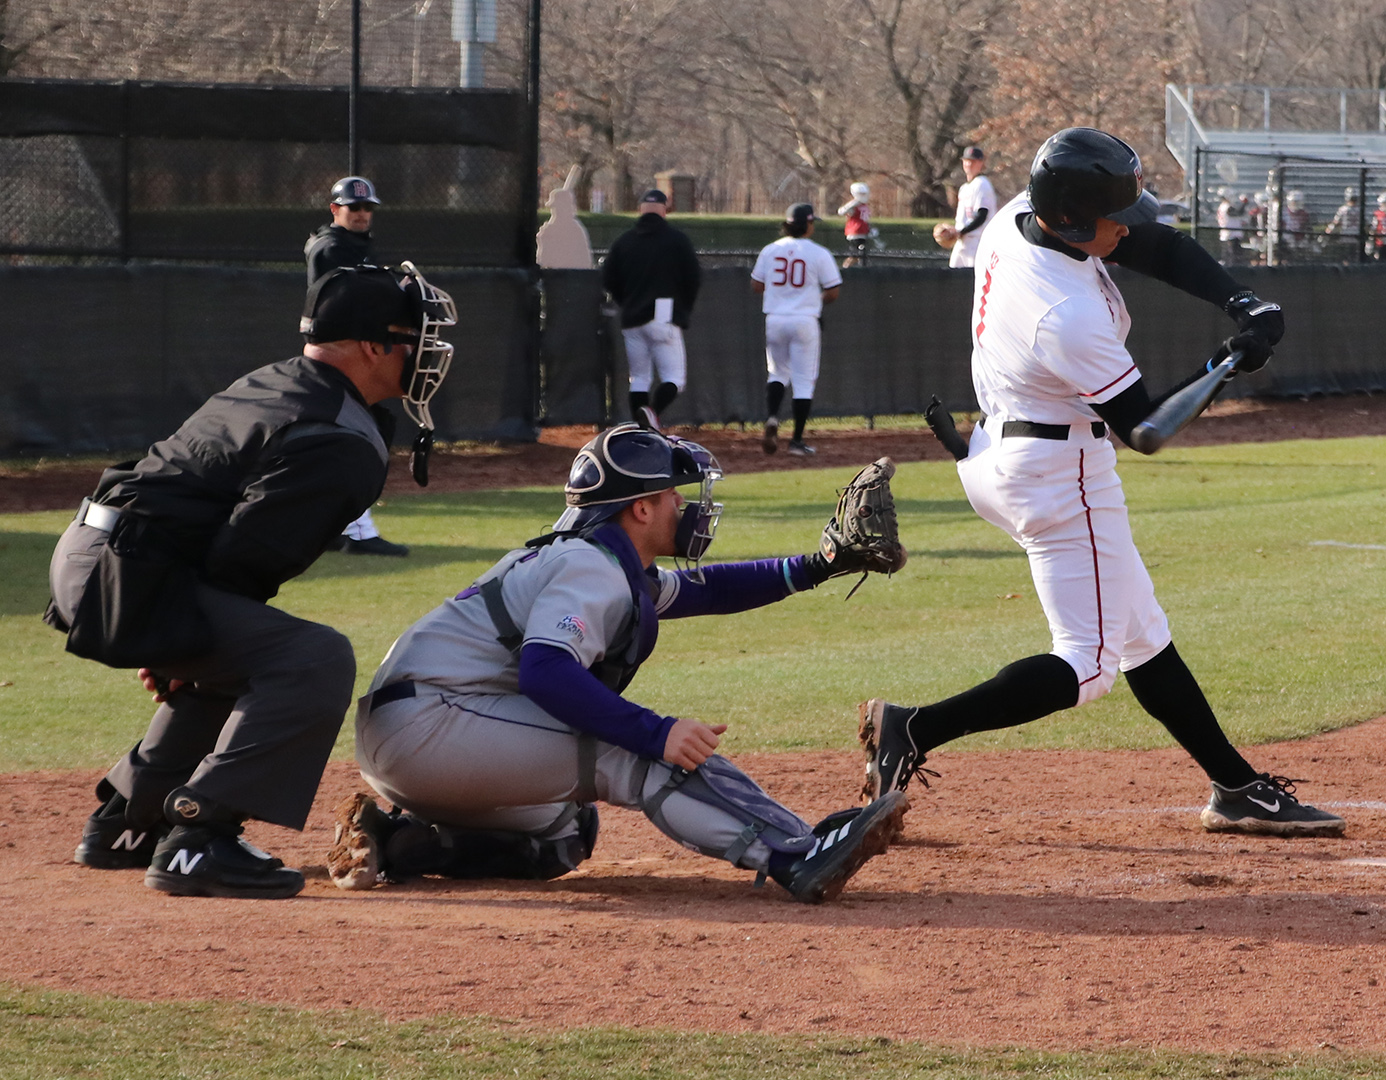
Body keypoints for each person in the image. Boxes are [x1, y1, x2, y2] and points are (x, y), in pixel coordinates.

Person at [865, 127, 1345, 839]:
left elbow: (1150, 244)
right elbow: (1144, 427)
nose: (1127, 228)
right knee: (1088, 668)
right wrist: (1227, 364)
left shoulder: (1020, 217)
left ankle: (1236, 787)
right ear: (1071, 219)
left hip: (1006, 448)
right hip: (1059, 476)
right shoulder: (1067, 316)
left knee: (1141, 633)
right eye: (1113, 218)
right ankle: (913, 728)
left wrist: (1239, 300)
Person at [326, 424, 909, 902]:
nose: (685, 505)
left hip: (419, 733)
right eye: (673, 494)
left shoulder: (597, 560)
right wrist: (655, 733)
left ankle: (398, 840)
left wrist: (819, 563)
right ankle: (794, 853)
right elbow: (546, 671)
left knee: (565, 832)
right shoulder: (590, 568)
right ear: (638, 509)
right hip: (434, 724)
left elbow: (707, 590)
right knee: (631, 751)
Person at [49, 263, 459, 899]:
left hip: (99, 549)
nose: (424, 353)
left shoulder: (280, 380)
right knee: (312, 658)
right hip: (134, 567)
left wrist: (186, 640)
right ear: (374, 345)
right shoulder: (340, 433)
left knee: (253, 655)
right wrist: (171, 638)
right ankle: (199, 836)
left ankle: (129, 820)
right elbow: (243, 558)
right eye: (413, 338)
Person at [305, 176, 410, 557]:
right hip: (342, 356)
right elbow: (352, 299)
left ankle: (333, 528)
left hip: (352, 353)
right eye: (354, 207)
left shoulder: (352, 245)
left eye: (368, 208)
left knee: (335, 441)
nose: (363, 214)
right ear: (336, 210)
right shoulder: (331, 248)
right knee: (356, 438)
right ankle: (358, 533)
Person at [750, 203, 843, 456]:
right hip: (804, 320)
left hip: (775, 318)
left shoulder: (770, 250)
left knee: (777, 373)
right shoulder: (818, 252)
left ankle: (771, 417)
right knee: (803, 381)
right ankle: (797, 441)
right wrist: (812, 298)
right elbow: (833, 291)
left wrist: (782, 292)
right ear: (808, 224)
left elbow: (756, 285)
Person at [602, 188, 702, 422]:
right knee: (675, 379)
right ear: (664, 211)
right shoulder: (677, 240)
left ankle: (640, 430)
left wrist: (625, 301)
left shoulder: (624, 241)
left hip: (631, 317)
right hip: (663, 313)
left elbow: (608, 279)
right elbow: (693, 278)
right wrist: (683, 309)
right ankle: (651, 414)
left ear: (640, 210)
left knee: (639, 378)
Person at [944, 146, 999, 269]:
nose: (969, 164)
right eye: (966, 160)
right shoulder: (964, 188)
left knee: (972, 278)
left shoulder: (982, 184)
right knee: (954, 276)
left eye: (973, 161)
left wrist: (961, 231)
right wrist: (955, 230)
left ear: (981, 163)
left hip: (978, 240)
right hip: (963, 241)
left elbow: (982, 216)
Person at [838, 182, 876, 268]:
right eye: (861, 193)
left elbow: (865, 219)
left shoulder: (864, 205)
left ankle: (862, 271)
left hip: (864, 232)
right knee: (854, 256)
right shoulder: (854, 205)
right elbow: (842, 211)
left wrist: (870, 228)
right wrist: (853, 203)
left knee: (862, 255)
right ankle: (844, 270)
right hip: (855, 233)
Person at [1326, 187, 1363, 254]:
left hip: (1347, 235)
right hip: (1355, 236)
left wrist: (1329, 230)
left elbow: (1336, 222)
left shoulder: (1343, 209)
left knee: (1347, 255)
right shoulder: (1360, 210)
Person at [1280, 190, 1312, 256]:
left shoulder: (1304, 214)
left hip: (1299, 237)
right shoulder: (1283, 213)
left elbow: (1307, 228)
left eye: (1297, 202)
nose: (1294, 204)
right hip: (1286, 237)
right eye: (1293, 202)